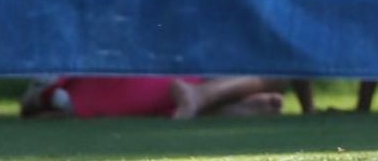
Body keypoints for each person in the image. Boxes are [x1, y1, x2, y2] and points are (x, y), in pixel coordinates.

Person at [21, 76, 289, 119]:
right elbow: (34, 103)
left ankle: (218, 103)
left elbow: (36, 104)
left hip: (159, 96)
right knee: (274, 76)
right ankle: (206, 99)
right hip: (166, 90)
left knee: (275, 77)